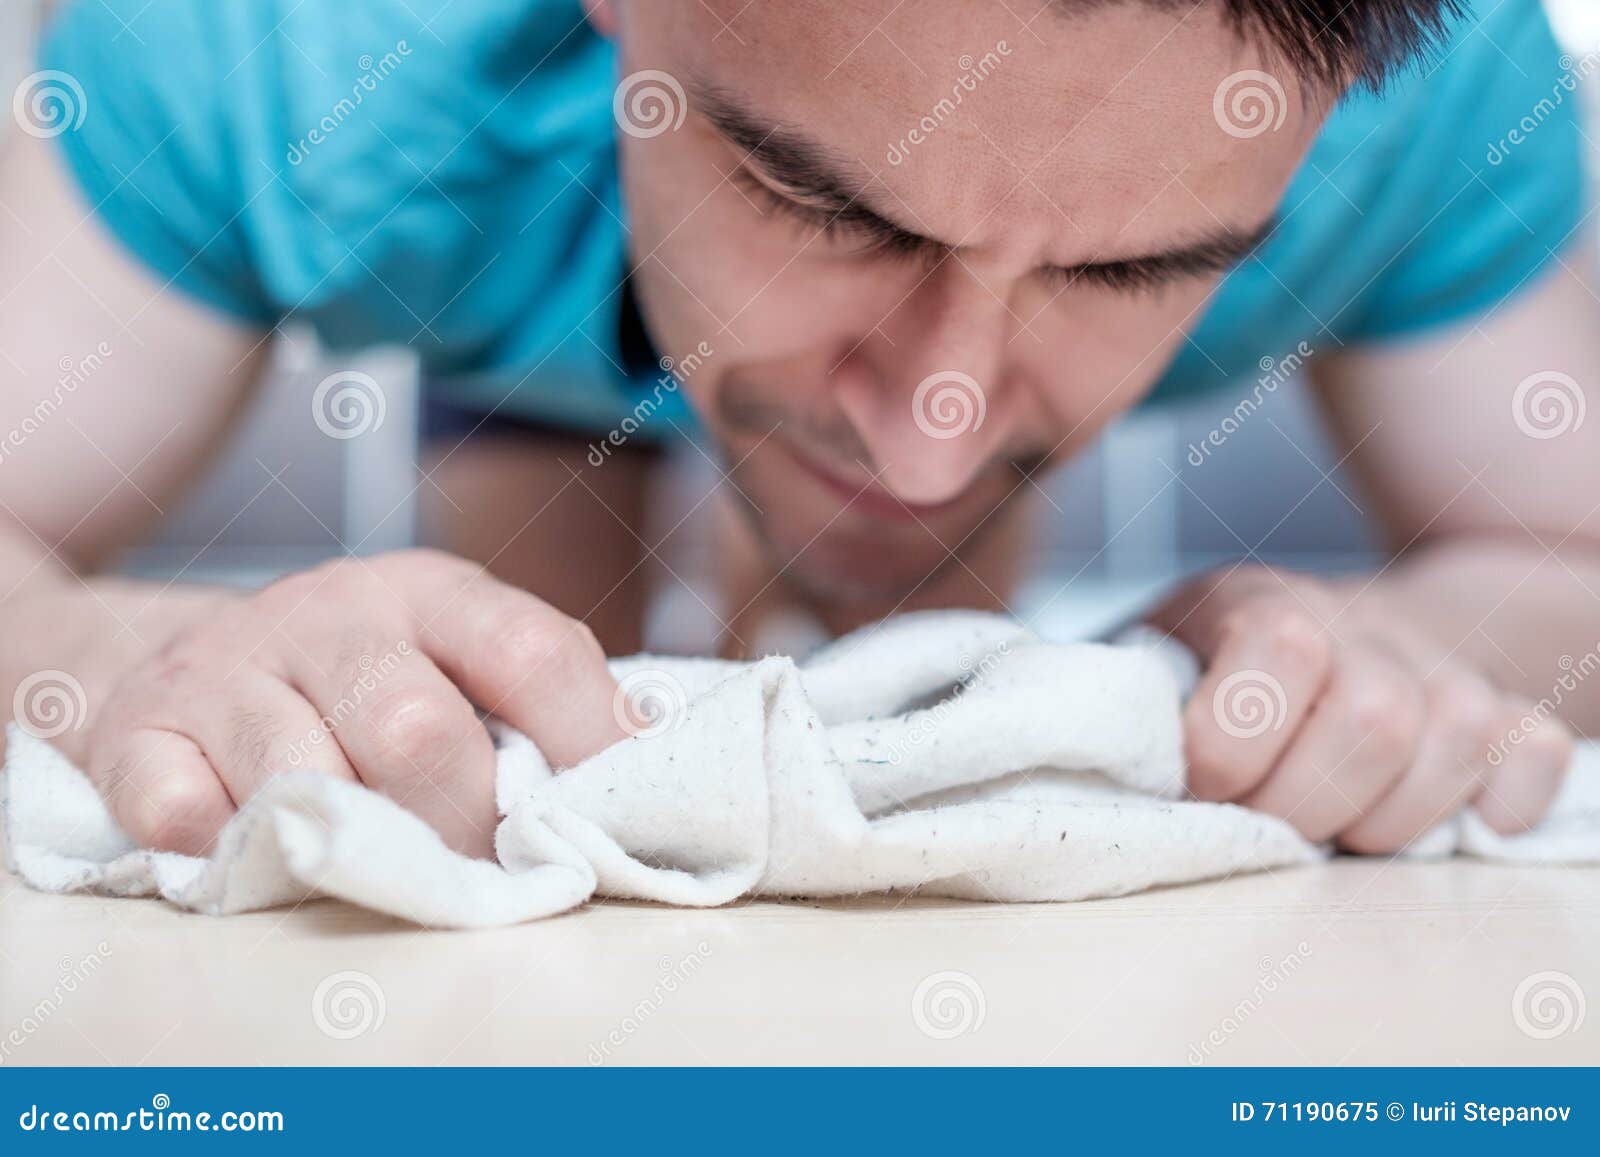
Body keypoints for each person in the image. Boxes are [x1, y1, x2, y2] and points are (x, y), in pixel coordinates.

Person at [0, 0, 1592, 861]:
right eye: (820, 199)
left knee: (943, 671)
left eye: (1129, 268)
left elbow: (1569, 569)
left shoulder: (1447, 88)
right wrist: (132, 650)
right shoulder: (276, 51)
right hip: (488, 274)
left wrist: (1398, 649)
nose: (929, 437)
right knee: (517, 671)